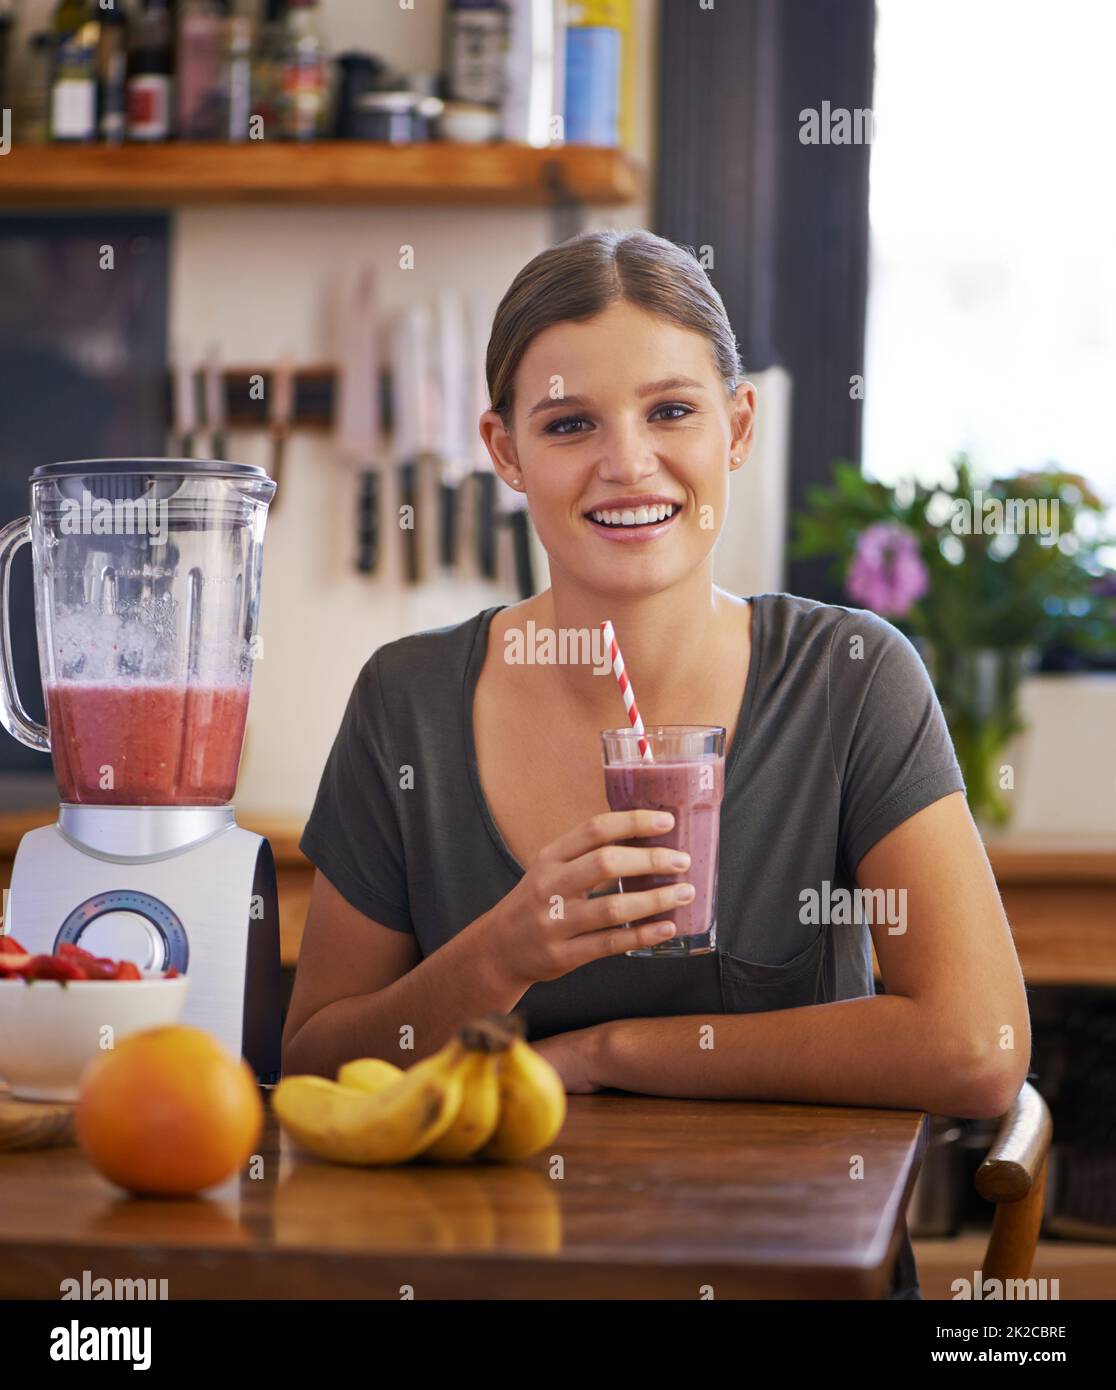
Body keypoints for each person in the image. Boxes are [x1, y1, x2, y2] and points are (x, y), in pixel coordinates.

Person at [284, 229, 1031, 1300]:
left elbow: (978, 1045)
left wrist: (608, 1052)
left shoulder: (852, 678)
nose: (627, 462)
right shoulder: (405, 704)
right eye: (569, 423)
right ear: (506, 452)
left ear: (736, 427)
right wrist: (503, 951)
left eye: (671, 411)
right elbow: (313, 1066)